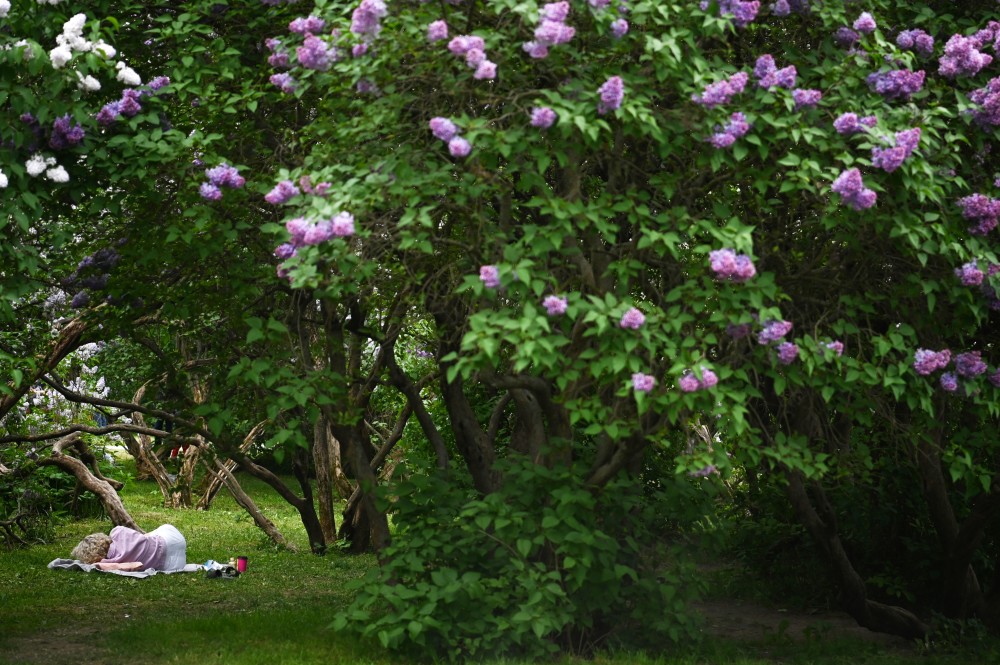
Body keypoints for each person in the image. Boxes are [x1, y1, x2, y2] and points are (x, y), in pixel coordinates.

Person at [70, 524, 187, 572]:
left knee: (144, 539)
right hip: (173, 537)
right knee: (145, 537)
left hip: (174, 564)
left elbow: (133, 565)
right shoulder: (117, 531)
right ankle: (150, 544)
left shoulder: (106, 563)